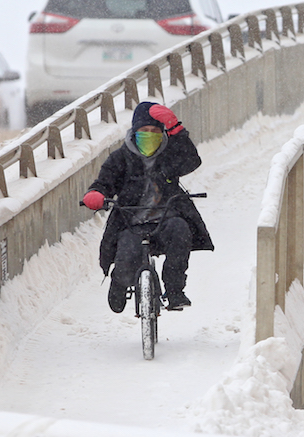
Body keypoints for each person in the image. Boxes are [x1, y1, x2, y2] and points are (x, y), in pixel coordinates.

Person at [81, 102, 214, 312]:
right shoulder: (120, 158)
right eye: (145, 131)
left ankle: (174, 290)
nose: (150, 135)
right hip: (130, 223)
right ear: (135, 132)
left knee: (180, 231)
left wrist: (177, 129)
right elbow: (105, 182)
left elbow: (191, 160)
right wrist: (96, 194)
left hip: (166, 221)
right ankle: (119, 282)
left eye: (155, 131)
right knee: (126, 257)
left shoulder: (169, 154)